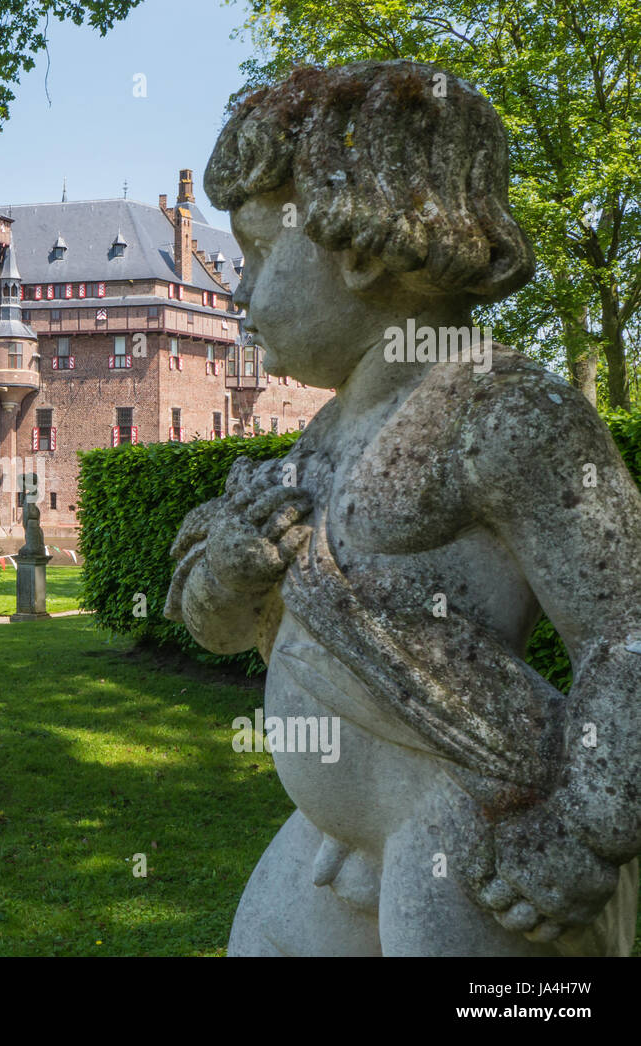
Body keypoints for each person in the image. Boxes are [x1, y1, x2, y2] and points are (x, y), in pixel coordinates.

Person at [165, 60, 641, 956]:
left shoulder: (504, 413)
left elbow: (629, 634)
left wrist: (587, 834)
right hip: (334, 842)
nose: (238, 293)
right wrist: (230, 574)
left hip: (470, 834)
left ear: (364, 249)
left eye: (263, 255)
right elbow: (224, 626)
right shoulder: (324, 434)